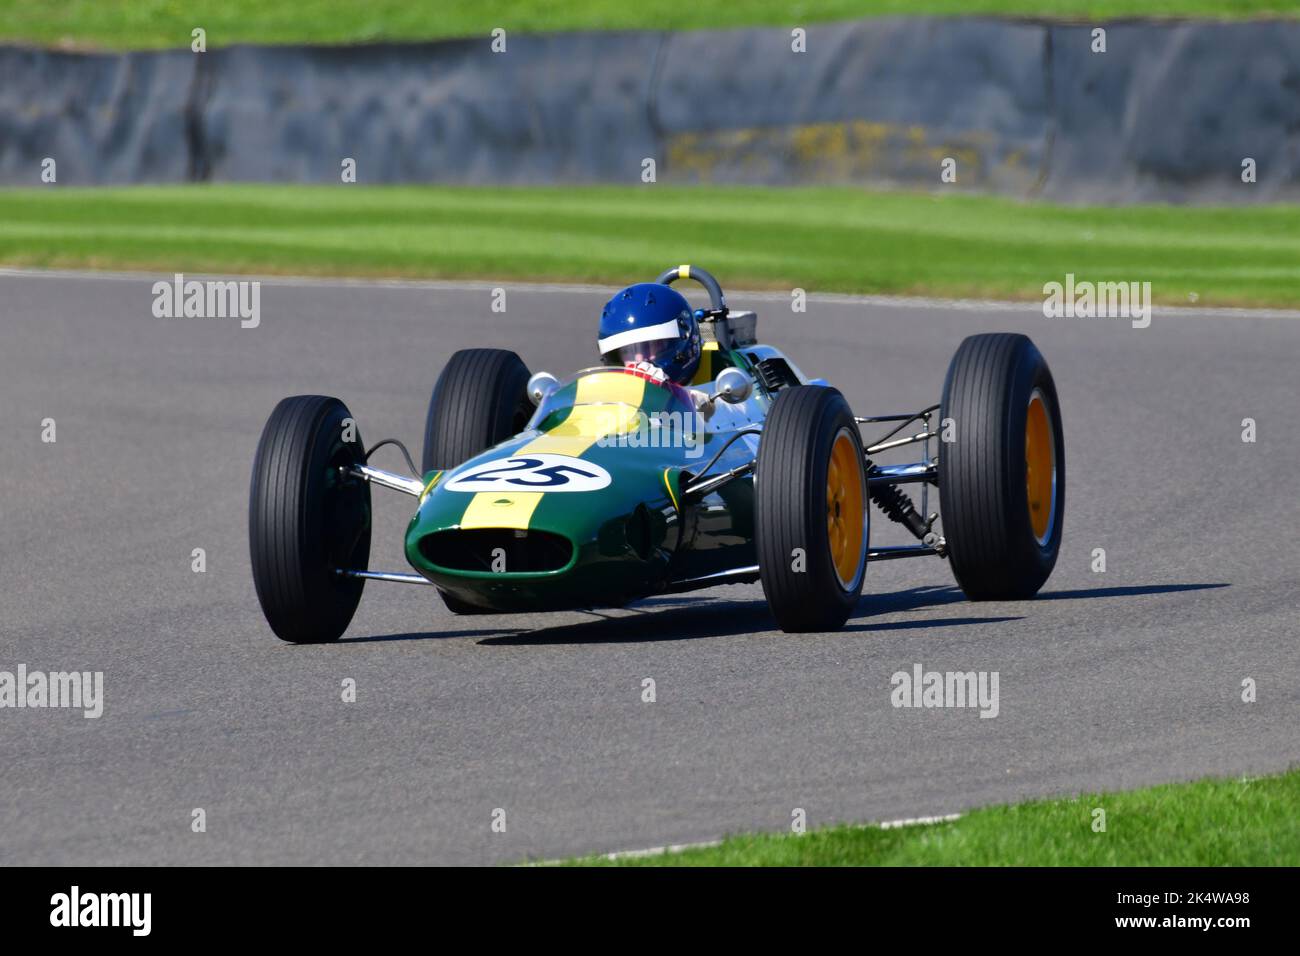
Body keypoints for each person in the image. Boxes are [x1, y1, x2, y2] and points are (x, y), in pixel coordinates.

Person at [597, 283, 703, 387]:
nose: (639, 360)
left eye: (649, 346)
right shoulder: (613, 398)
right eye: (627, 351)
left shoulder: (716, 389)